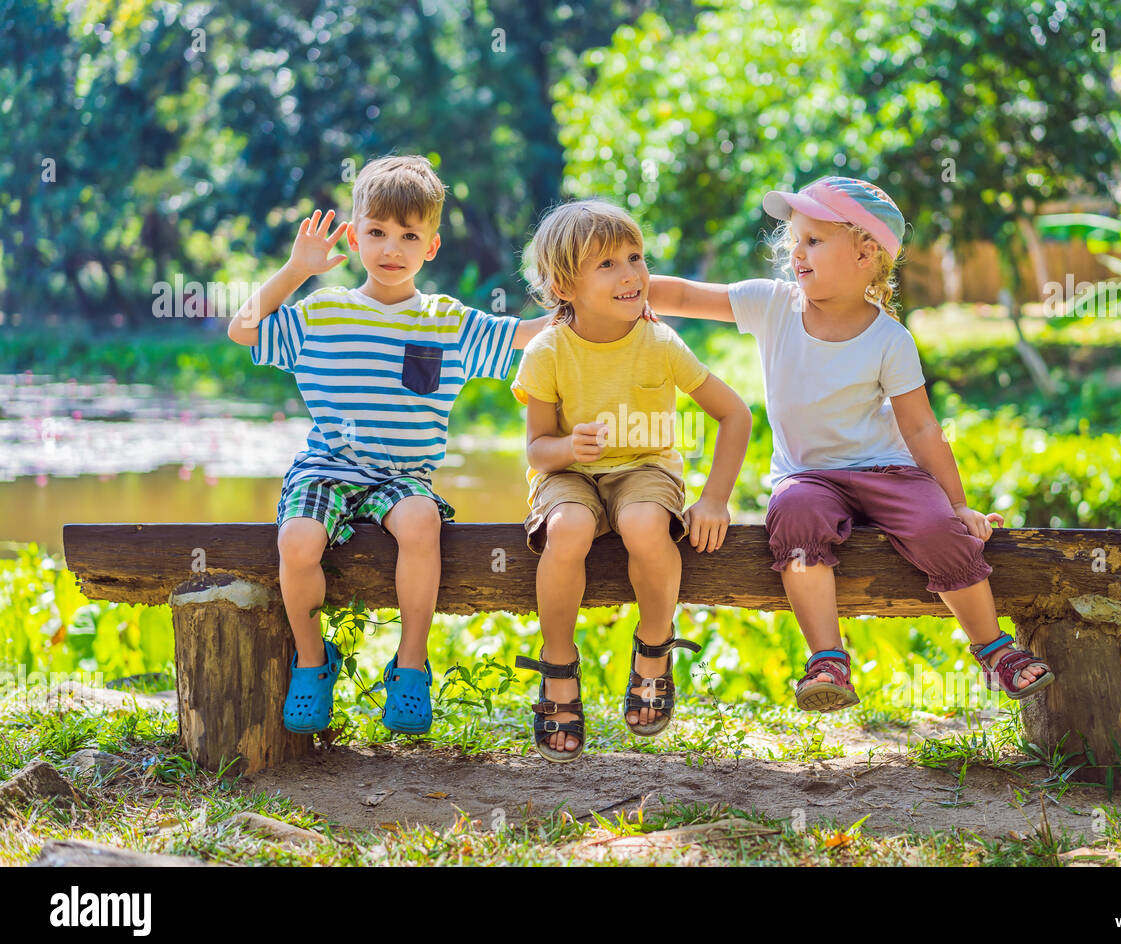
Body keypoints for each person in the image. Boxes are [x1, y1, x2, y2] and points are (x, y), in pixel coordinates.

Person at [647, 176, 1053, 711]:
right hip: (808, 477)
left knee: (937, 528)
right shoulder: (773, 306)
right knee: (792, 514)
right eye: (794, 239)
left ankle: (993, 647)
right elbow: (680, 295)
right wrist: (616, 285)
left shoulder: (889, 338)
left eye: (813, 240)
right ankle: (828, 660)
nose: (796, 252)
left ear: (865, 254)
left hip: (888, 471)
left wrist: (957, 504)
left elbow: (923, 429)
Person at [227, 155, 557, 737]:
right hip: (328, 466)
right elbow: (244, 328)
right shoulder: (324, 311)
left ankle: (409, 665)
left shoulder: (444, 322)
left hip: (405, 475)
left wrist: (587, 304)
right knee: (298, 539)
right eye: (376, 233)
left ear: (430, 246)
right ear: (354, 237)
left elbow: (522, 336)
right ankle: (312, 659)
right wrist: (295, 270)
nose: (391, 248)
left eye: (408, 235)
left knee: (422, 521)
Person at [510, 199, 752, 761]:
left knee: (646, 525)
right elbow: (538, 449)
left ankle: (653, 647)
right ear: (564, 286)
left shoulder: (660, 342)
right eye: (608, 264)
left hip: (645, 471)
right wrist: (570, 446)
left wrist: (715, 499)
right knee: (567, 528)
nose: (631, 274)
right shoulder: (547, 350)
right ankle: (558, 667)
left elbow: (734, 413)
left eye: (635, 257)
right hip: (569, 475)